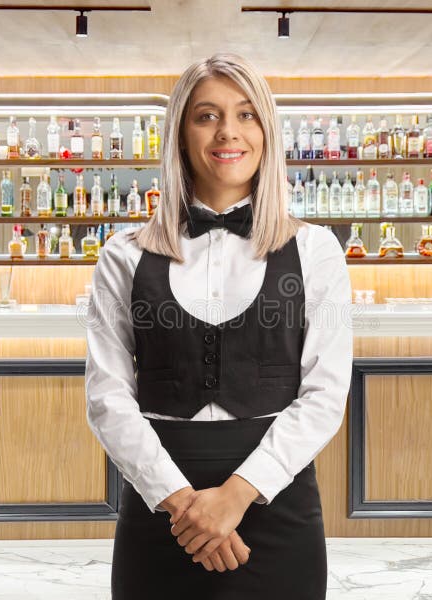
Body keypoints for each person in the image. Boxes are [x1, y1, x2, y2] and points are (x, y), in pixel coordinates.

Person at [84, 52, 352, 600]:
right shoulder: (123, 255)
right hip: (161, 499)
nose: (228, 132)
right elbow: (107, 396)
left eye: (247, 115)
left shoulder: (316, 250)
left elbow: (325, 394)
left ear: (267, 132)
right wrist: (183, 503)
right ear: (181, 134)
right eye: (206, 116)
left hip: (274, 497)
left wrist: (235, 496)